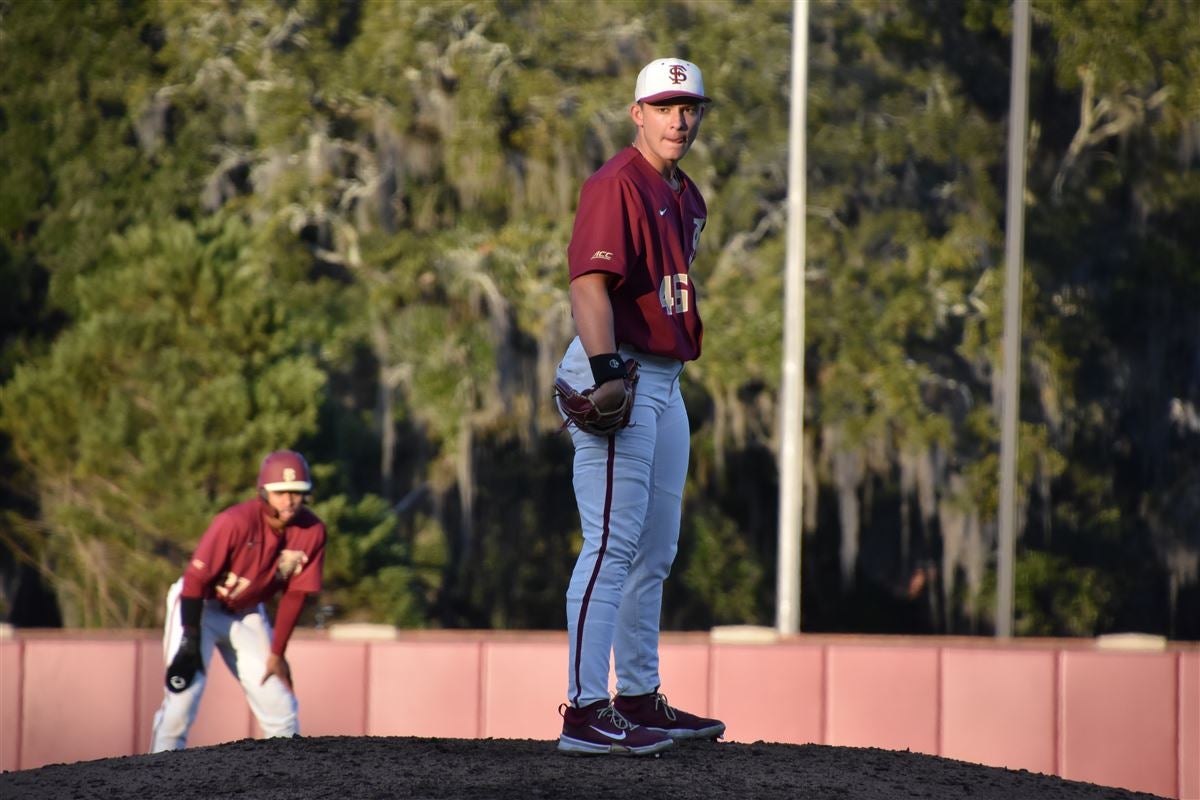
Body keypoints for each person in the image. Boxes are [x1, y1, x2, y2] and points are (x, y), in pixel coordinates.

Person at [554, 57, 725, 756]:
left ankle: (638, 697)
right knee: (610, 546)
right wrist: (603, 375)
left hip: (664, 377)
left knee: (655, 549)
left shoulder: (685, 193)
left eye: (689, 108)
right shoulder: (616, 183)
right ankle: (585, 712)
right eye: (664, 106)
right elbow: (589, 285)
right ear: (638, 114)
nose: (679, 119)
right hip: (618, 369)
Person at [149, 449, 327, 752]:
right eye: (280, 492)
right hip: (200, 607)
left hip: (246, 612)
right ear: (264, 491)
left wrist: (277, 651)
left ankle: (292, 783)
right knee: (182, 701)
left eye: (296, 492)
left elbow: (296, 593)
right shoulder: (235, 521)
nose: (288, 500)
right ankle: (155, 780)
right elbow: (194, 582)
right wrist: (190, 637)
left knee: (280, 706)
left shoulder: (312, 530)